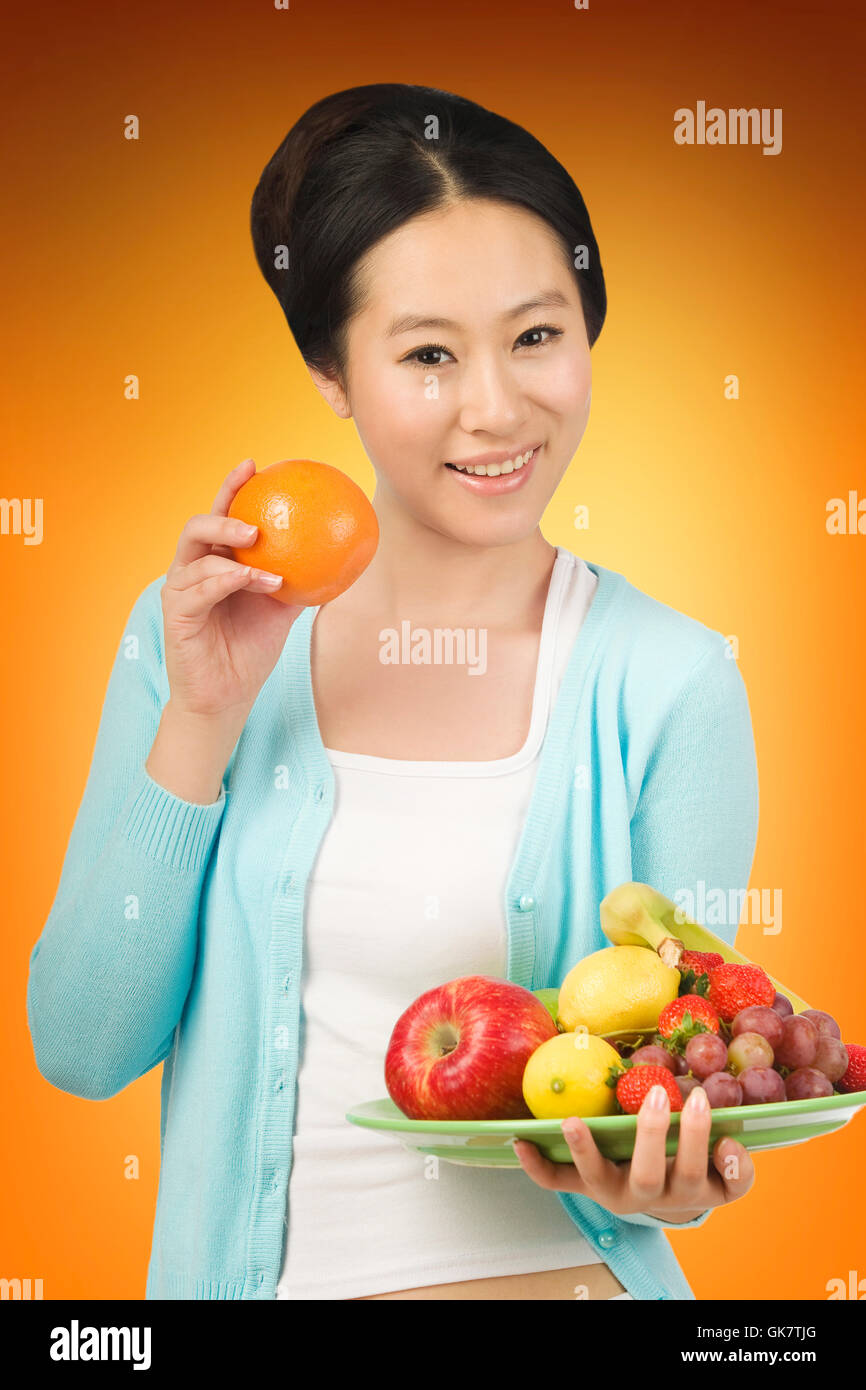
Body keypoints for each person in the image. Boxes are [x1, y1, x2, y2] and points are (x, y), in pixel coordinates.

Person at [27, 83, 759, 1301]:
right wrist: (201, 719)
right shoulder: (192, 646)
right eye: (428, 354)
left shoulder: (671, 682)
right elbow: (83, 1047)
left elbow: (686, 1056)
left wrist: (672, 1167)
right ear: (330, 370)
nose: (497, 407)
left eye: (537, 335)